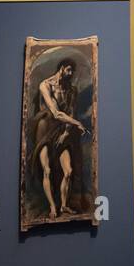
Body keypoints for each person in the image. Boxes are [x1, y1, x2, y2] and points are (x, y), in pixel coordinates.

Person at [27, 58, 88, 219]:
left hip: (62, 129)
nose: (70, 74)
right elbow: (56, 113)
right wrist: (77, 123)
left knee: (68, 171)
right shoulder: (45, 85)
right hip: (44, 129)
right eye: (68, 70)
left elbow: (71, 112)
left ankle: (64, 205)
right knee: (47, 170)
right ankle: (53, 208)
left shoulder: (72, 90)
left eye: (72, 72)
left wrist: (67, 133)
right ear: (61, 68)